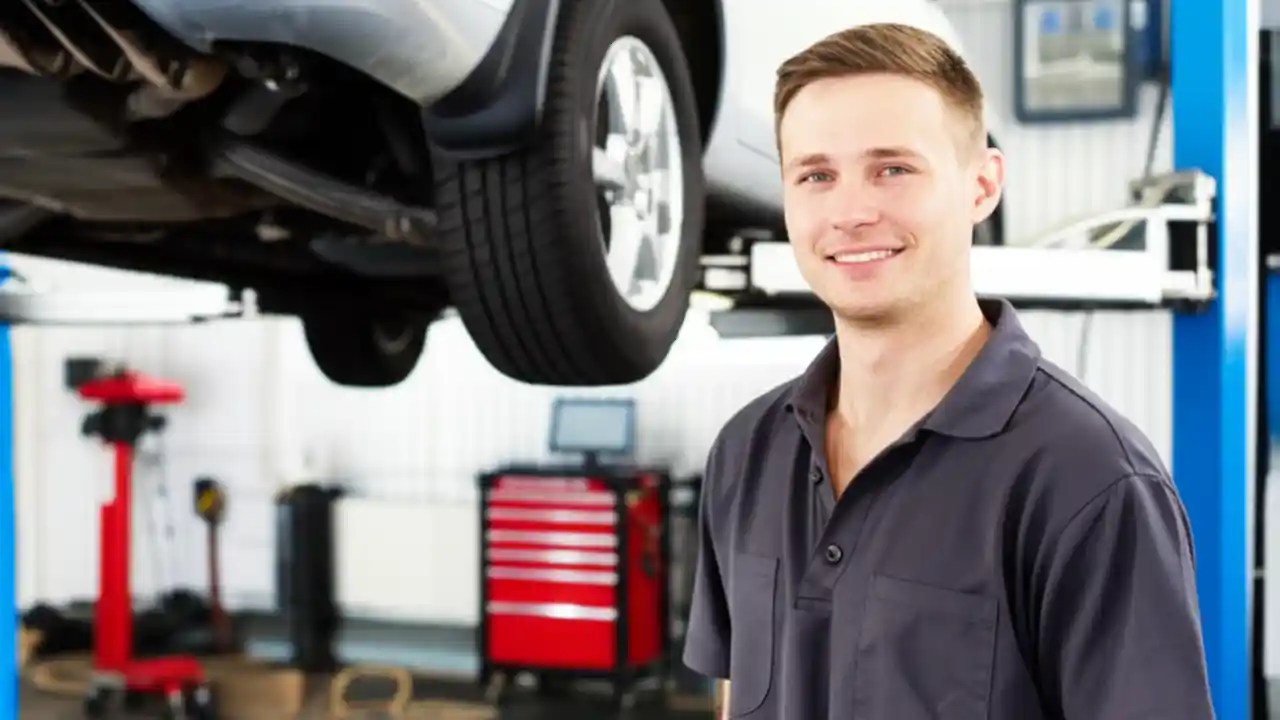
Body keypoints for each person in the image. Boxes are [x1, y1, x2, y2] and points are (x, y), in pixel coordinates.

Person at [681, 22, 1215, 720]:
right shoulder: (746, 453)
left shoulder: (1091, 481)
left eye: (893, 169)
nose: (850, 211)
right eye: (816, 175)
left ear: (982, 185)